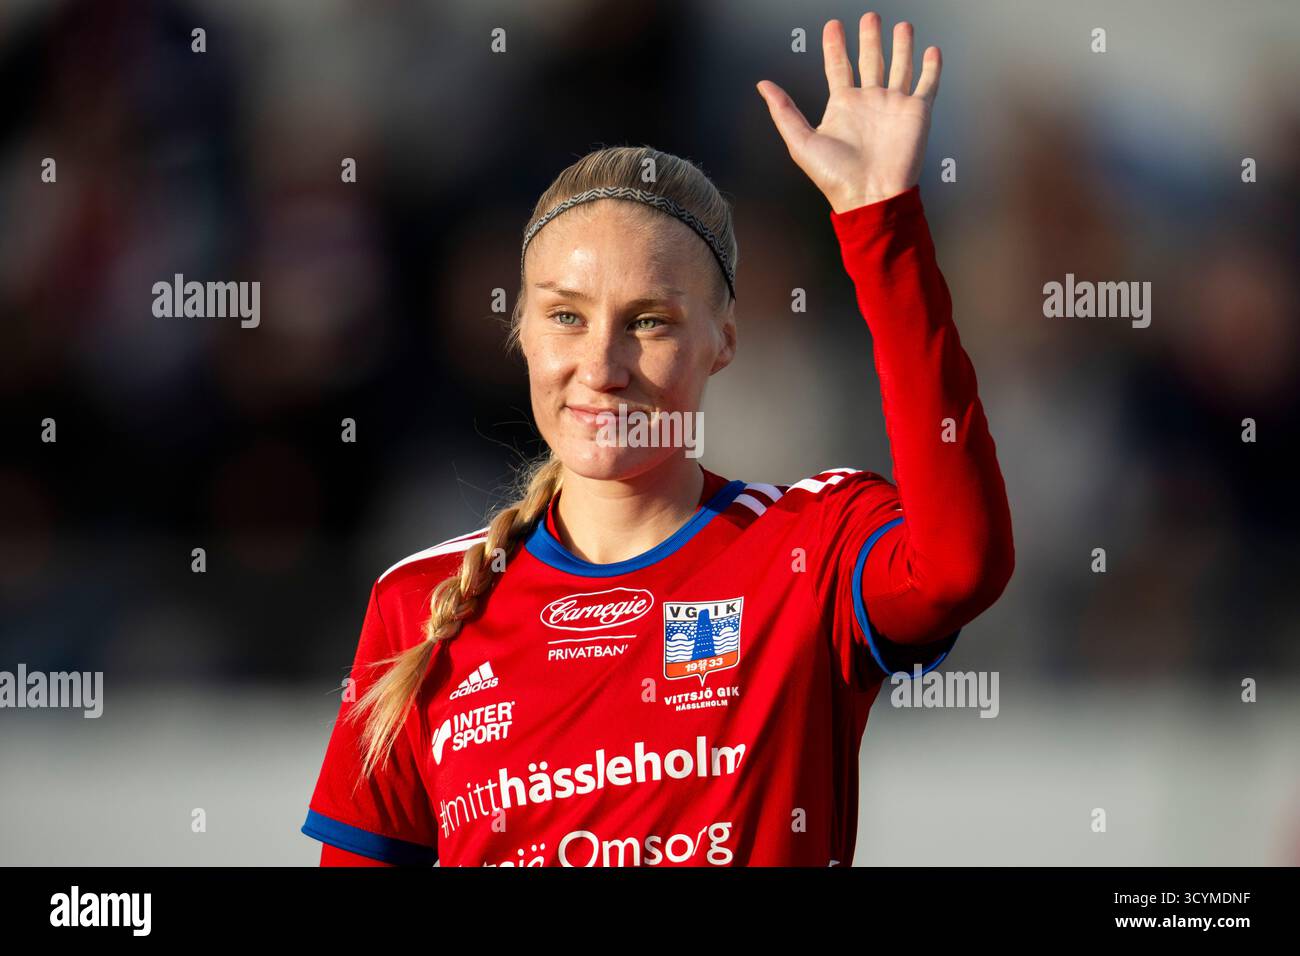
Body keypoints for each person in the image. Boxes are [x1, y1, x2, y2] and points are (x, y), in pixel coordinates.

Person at [302, 12, 1013, 867]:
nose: (601, 364)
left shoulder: (809, 549)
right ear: (520, 333)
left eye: (649, 321)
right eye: (566, 317)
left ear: (725, 340)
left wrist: (881, 226)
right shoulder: (418, 605)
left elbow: (961, 567)